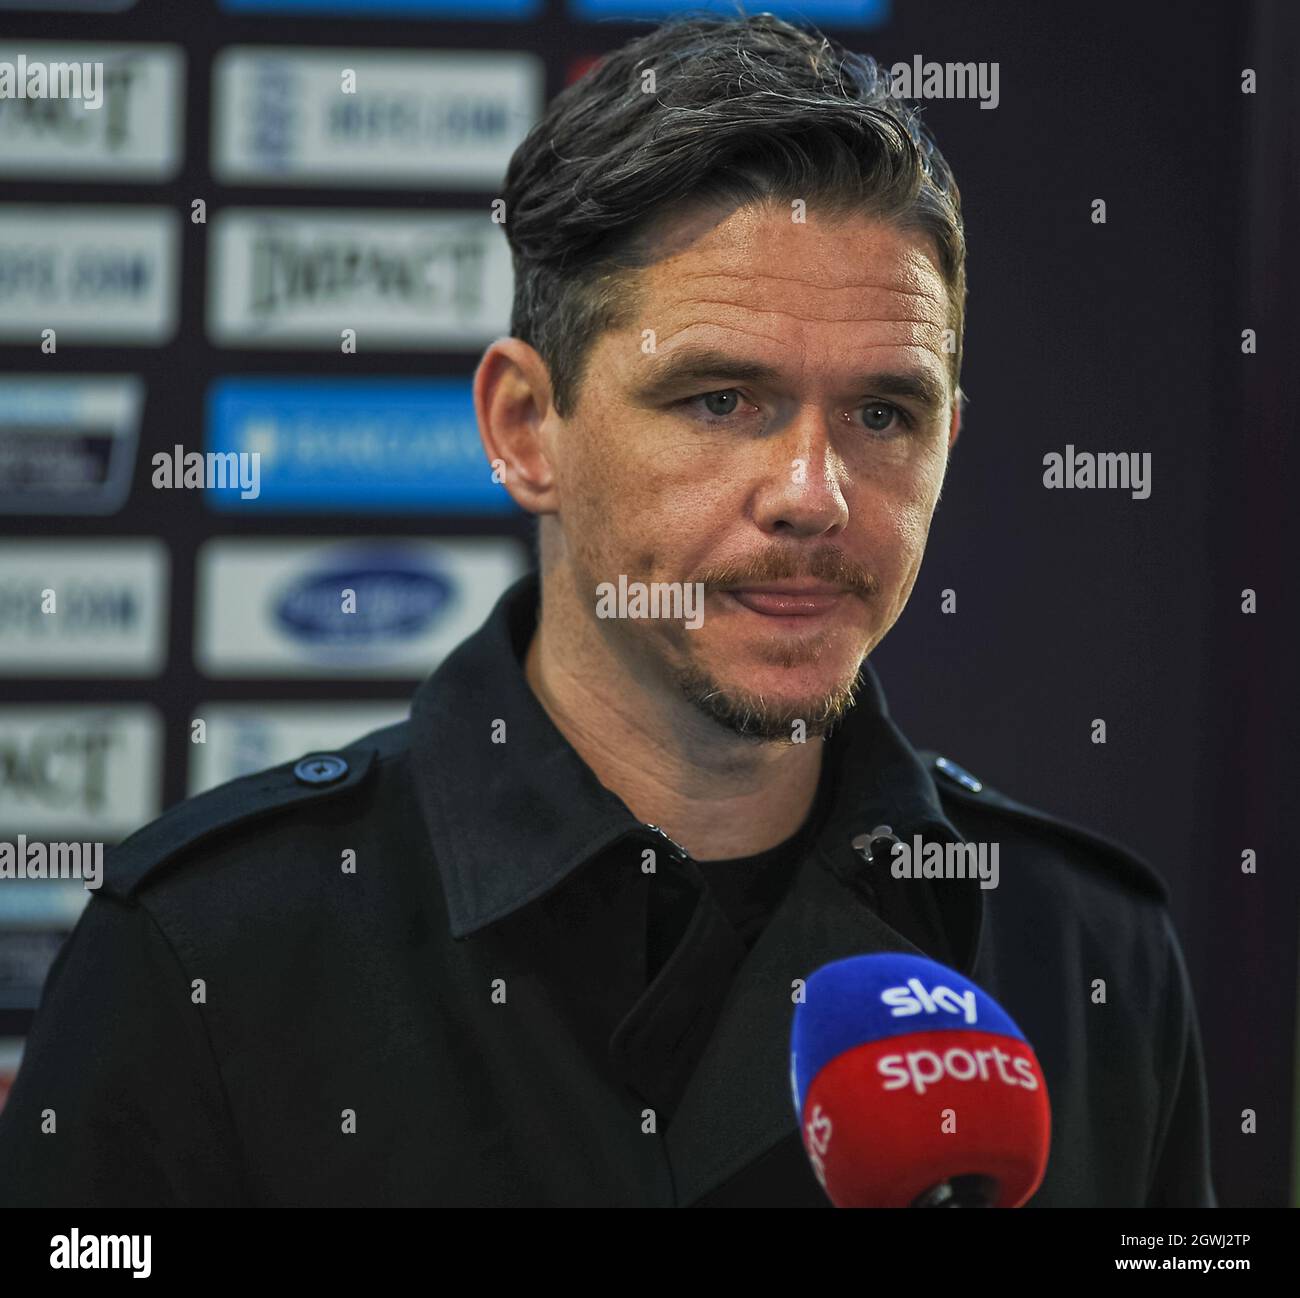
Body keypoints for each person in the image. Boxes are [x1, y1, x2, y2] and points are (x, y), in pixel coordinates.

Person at [0, 12, 1214, 1207]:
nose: (812, 493)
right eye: (721, 400)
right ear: (526, 427)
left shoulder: (1085, 951)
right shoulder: (209, 946)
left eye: (882, 414)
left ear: (949, 435)